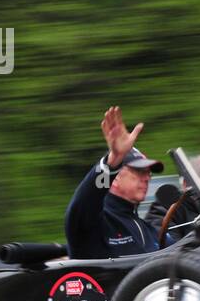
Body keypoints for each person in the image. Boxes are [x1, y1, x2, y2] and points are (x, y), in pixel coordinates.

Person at [64, 106, 165, 258]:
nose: (147, 178)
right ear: (115, 177)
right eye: (139, 171)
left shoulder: (147, 229)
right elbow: (84, 202)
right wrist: (111, 163)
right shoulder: (94, 222)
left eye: (148, 173)